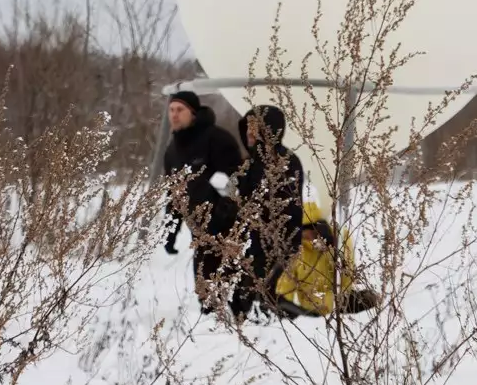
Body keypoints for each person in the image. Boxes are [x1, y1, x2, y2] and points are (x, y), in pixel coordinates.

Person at [162, 90, 243, 310]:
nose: (175, 115)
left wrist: (225, 212)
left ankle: (244, 325)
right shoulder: (171, 152)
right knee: (207, 296)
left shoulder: (217, 139)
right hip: (199, 233)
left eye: (180, 110)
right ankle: (210, 323)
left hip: (228, 230)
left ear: (194, 113)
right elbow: (174, 194)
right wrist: (170, 231)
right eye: (171, 110)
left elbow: (236, 180)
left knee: (235, 288)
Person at [230, 105, 304, 321]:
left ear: (269, 129)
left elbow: (284, 207)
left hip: (275, 243)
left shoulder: (286, 161)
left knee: (263, 299)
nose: (249, 133)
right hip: (251, 243)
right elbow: (237, 196)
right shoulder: (250, 162)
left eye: (255, 127)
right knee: (244, 297)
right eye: (247, 127)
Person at [274, 201, 379, 319]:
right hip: (312, 306)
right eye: (302, 234)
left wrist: (332, 248)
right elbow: (285, 284)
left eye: (311, 232)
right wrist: (286, 304)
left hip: (340, 297)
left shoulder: (340, 238)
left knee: (370, 298)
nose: (308, 238)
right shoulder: (296, 250)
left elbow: (347, 275)